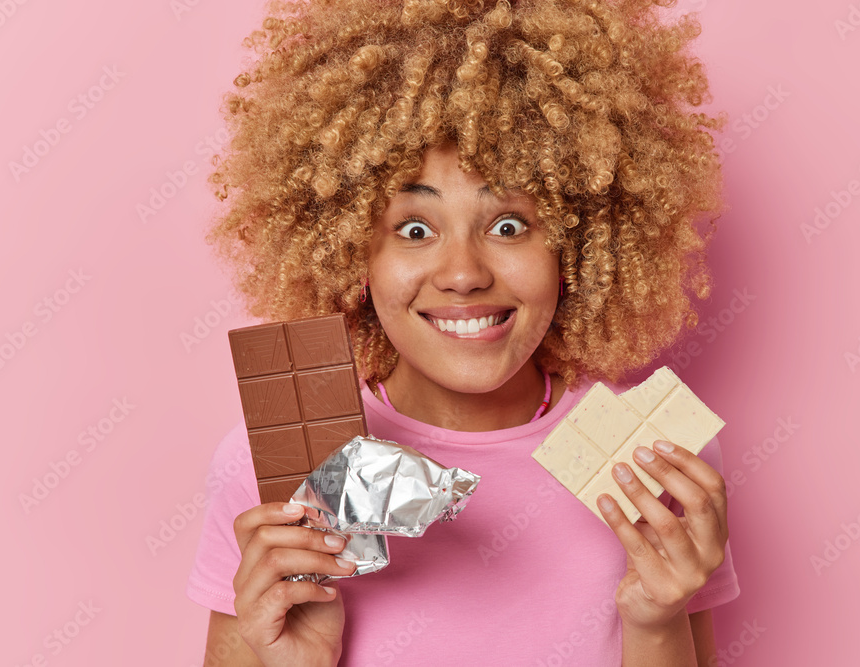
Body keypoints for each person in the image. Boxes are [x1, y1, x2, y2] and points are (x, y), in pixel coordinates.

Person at [187, 0, 739, 664]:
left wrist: (656, 622)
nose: (463, 274)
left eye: (508, 225)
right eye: (415, 228)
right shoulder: (274, 472)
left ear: (580, 244)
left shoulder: (656, 466)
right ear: (351, 250)